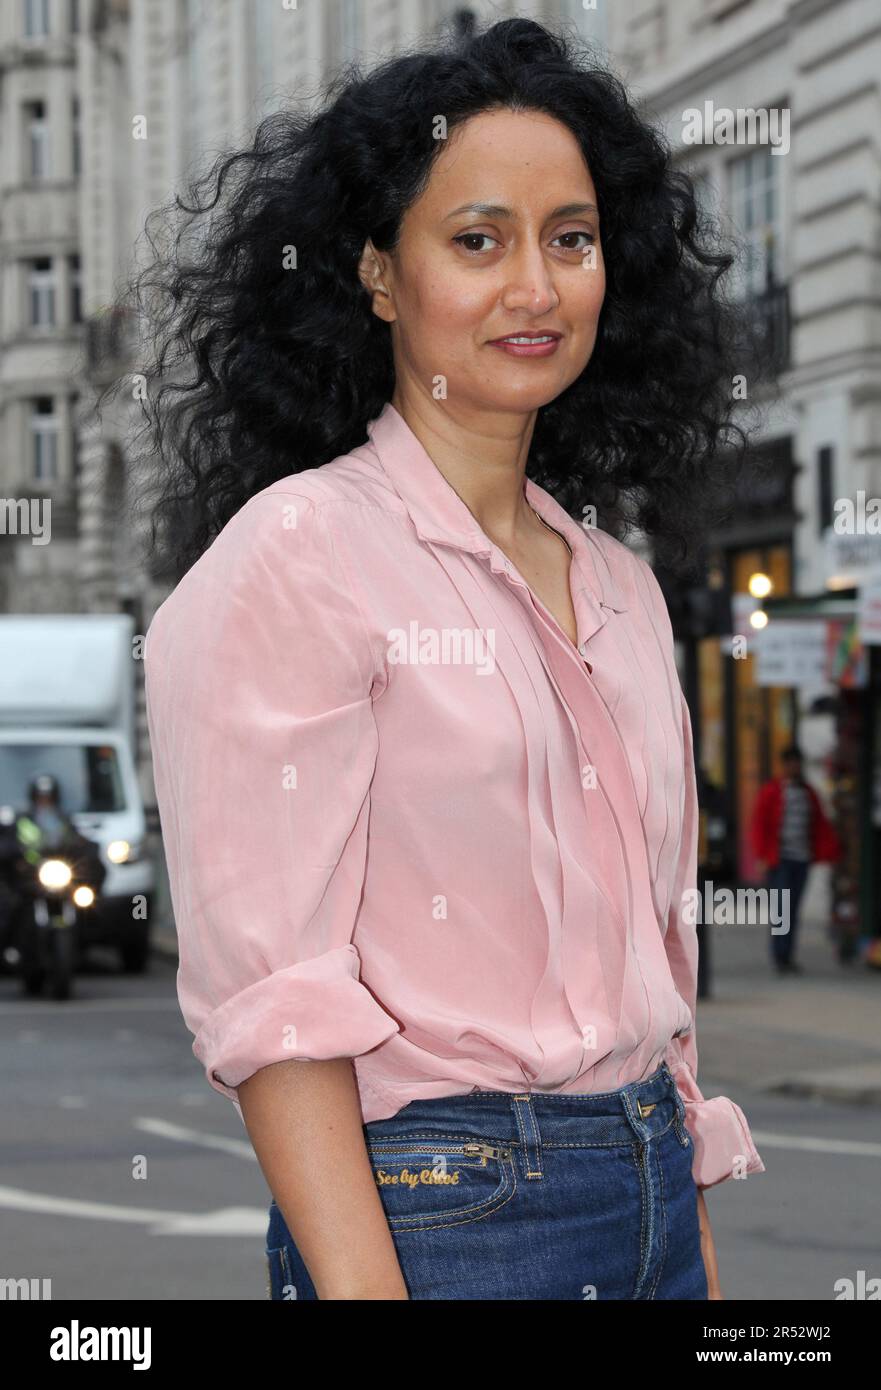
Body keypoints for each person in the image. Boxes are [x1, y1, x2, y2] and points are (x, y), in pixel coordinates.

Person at [136, 18, 766, 1301]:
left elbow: (653, 960)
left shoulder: (622, 587)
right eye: (477, 240)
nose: (534, 287)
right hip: (449, 1221)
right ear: (378, 274)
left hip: (649, 1192)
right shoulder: (299, 558)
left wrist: (686, 1234)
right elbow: (278, 1002)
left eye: (570, 240)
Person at [751, 744, 841, 974]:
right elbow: (760, 825)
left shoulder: (808, 793)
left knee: (793, 909)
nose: (795, 767)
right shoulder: (772, 792)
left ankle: (787, 955)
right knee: (782, 909)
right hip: (779, 860)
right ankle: (780, 956)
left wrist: (827, 852)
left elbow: (819, 825)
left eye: (797, 762)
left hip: (801, 860)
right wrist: (762, 856)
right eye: (791, 762)